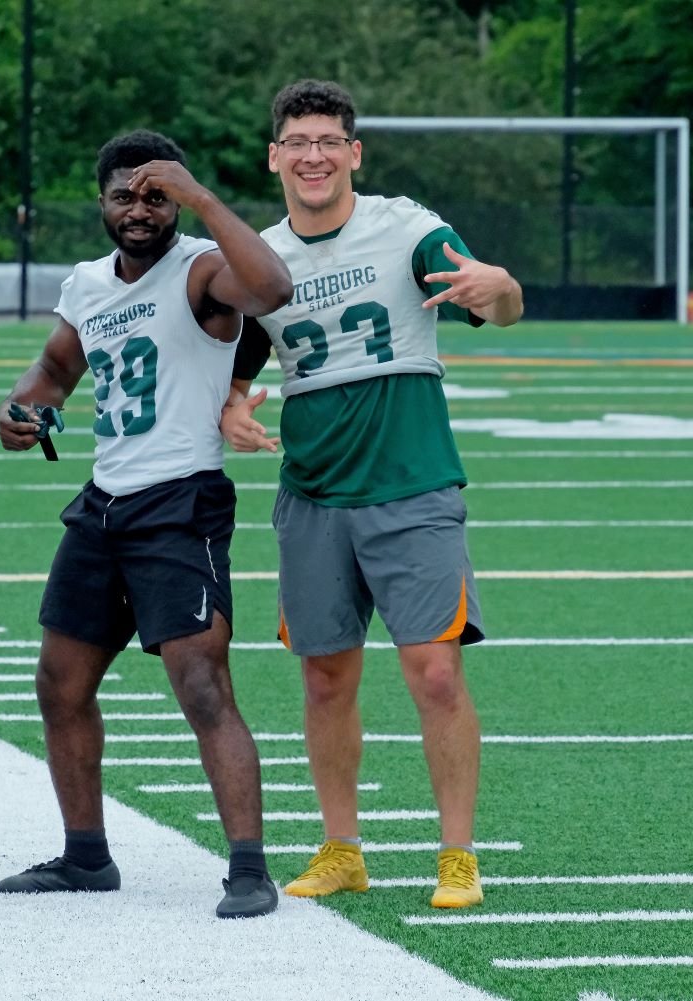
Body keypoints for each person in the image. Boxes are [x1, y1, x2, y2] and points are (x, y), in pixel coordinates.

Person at [223, 80, 524, 909]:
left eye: (329, 140)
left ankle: (457, 855)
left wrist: (498, 289)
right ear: (274, 156)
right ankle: (340, 846)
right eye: (297, 141)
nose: (312, 155)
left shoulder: (407, 228)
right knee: (325, 677)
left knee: (433, 672)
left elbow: (497, 304)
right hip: (312, 490)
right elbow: (235, 371)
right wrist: (231, 409)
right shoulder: (259, 256)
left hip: (410, 480)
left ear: (353, 153)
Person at [0, 129, 293, 919]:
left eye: (153, 195)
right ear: (101, 201)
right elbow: (56, 368)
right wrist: (21, 408)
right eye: (123, 195)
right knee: (59, 684)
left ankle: (248, 866)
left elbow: (270, 288)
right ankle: (85, 856)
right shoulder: (88, 283)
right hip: (104, 504)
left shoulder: (199, 268)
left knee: (201, 682)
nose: (138, 209)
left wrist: (197, 195)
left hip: (178, 500)